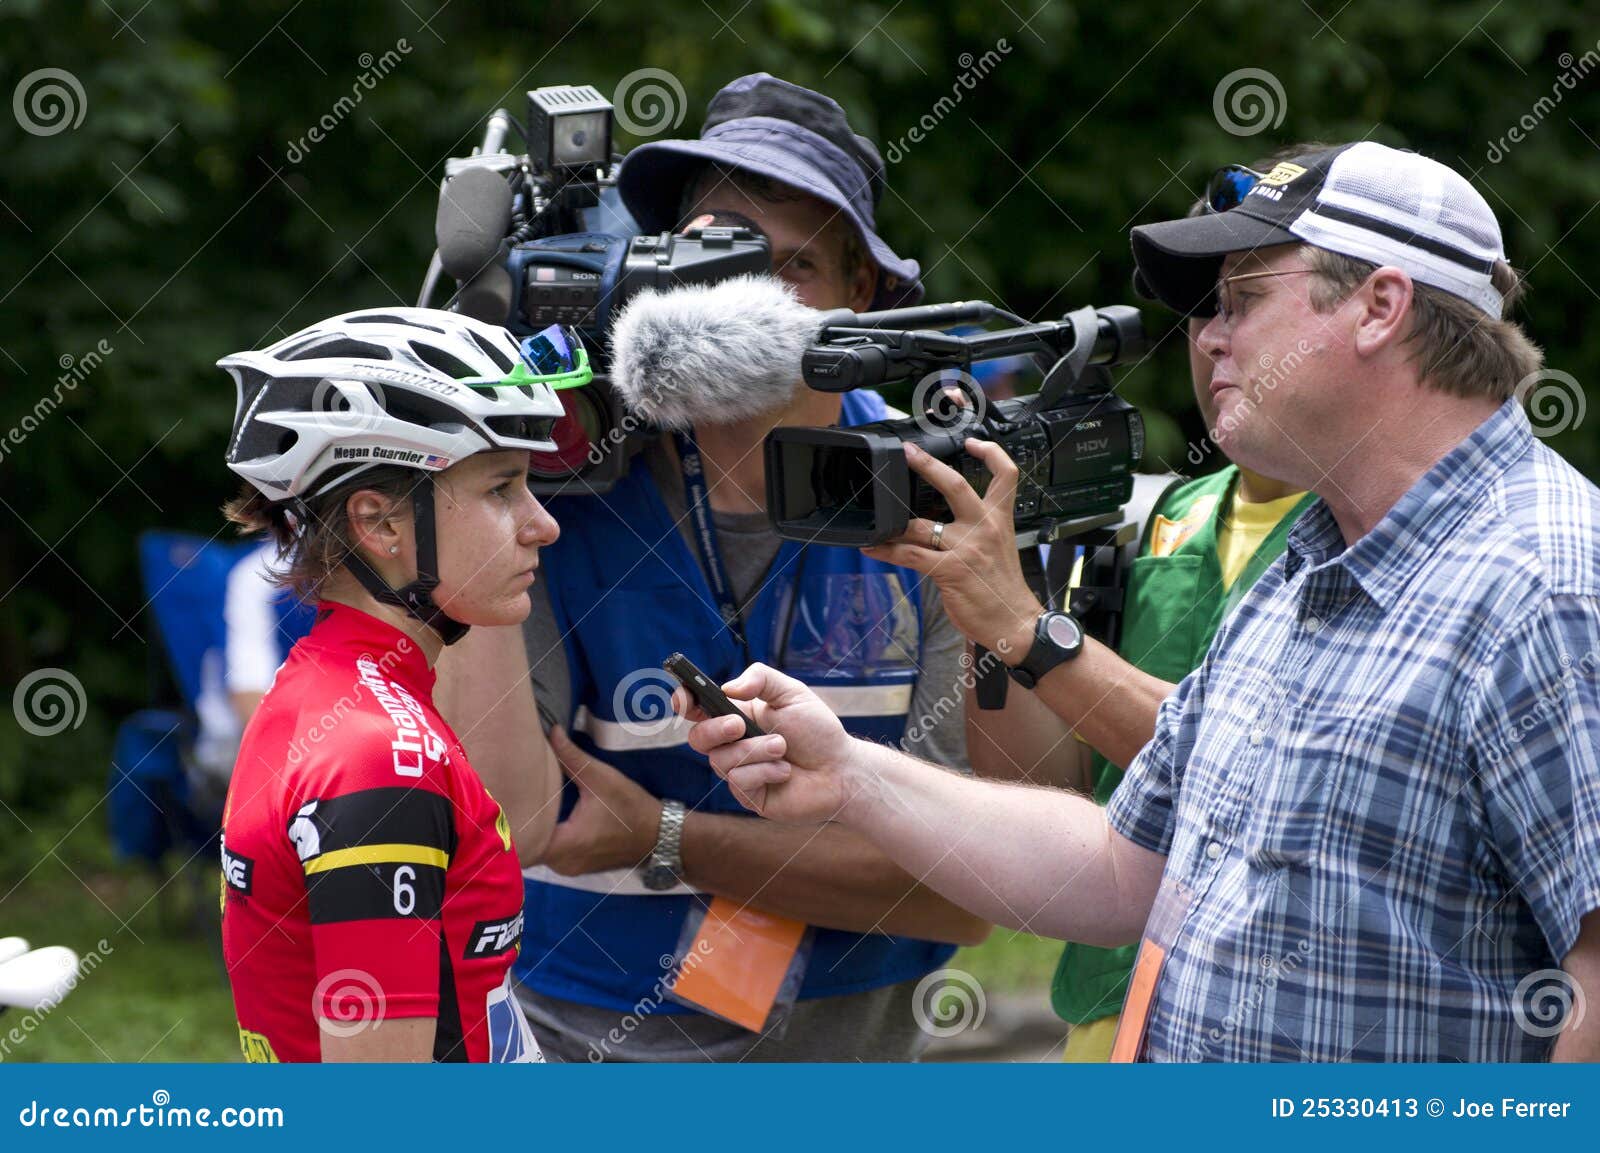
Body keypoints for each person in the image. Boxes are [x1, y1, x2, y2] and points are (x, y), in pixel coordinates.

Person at [684, 140, 1600, 1061]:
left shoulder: (1548, 584)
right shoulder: (1308, 567)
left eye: (1242, 300)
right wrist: (851, 773)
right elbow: (1124, 871)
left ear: (1379, 307)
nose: (1206, 335)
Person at [455, 72, 990, 1063]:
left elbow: (966, 886)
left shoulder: (932, 486)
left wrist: (664, 834)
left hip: (849, 1046)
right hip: (579, 1028)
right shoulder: (560, 485)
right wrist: (478, 449)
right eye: (715, 260)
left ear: (857, 292)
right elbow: (518, 819)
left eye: (788, 266)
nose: (746, 300)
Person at [216, 307, 576, 1062]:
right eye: (503, 488)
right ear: (380, 523)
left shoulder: (333, 691)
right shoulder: (380, 758)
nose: (541, 523)